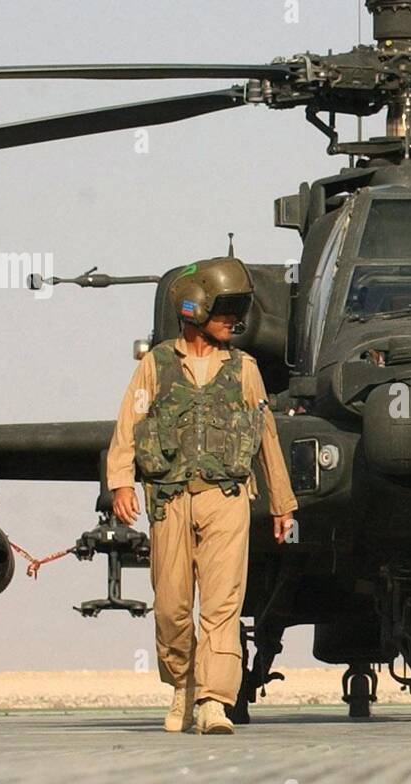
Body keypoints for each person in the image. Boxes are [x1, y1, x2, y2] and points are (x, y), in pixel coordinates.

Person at [107, 257, 297, 735]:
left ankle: (215, 701)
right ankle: (182, 684)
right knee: (171, 606)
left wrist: (282, 501)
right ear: (194, 311)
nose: (236, 321)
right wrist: (120, 482)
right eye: (225, 311)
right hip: (170, 499)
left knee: (221, 606)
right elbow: (128, 423)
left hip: (227, 497)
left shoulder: (245, 369)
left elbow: (266, 434)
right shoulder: (155, 366)